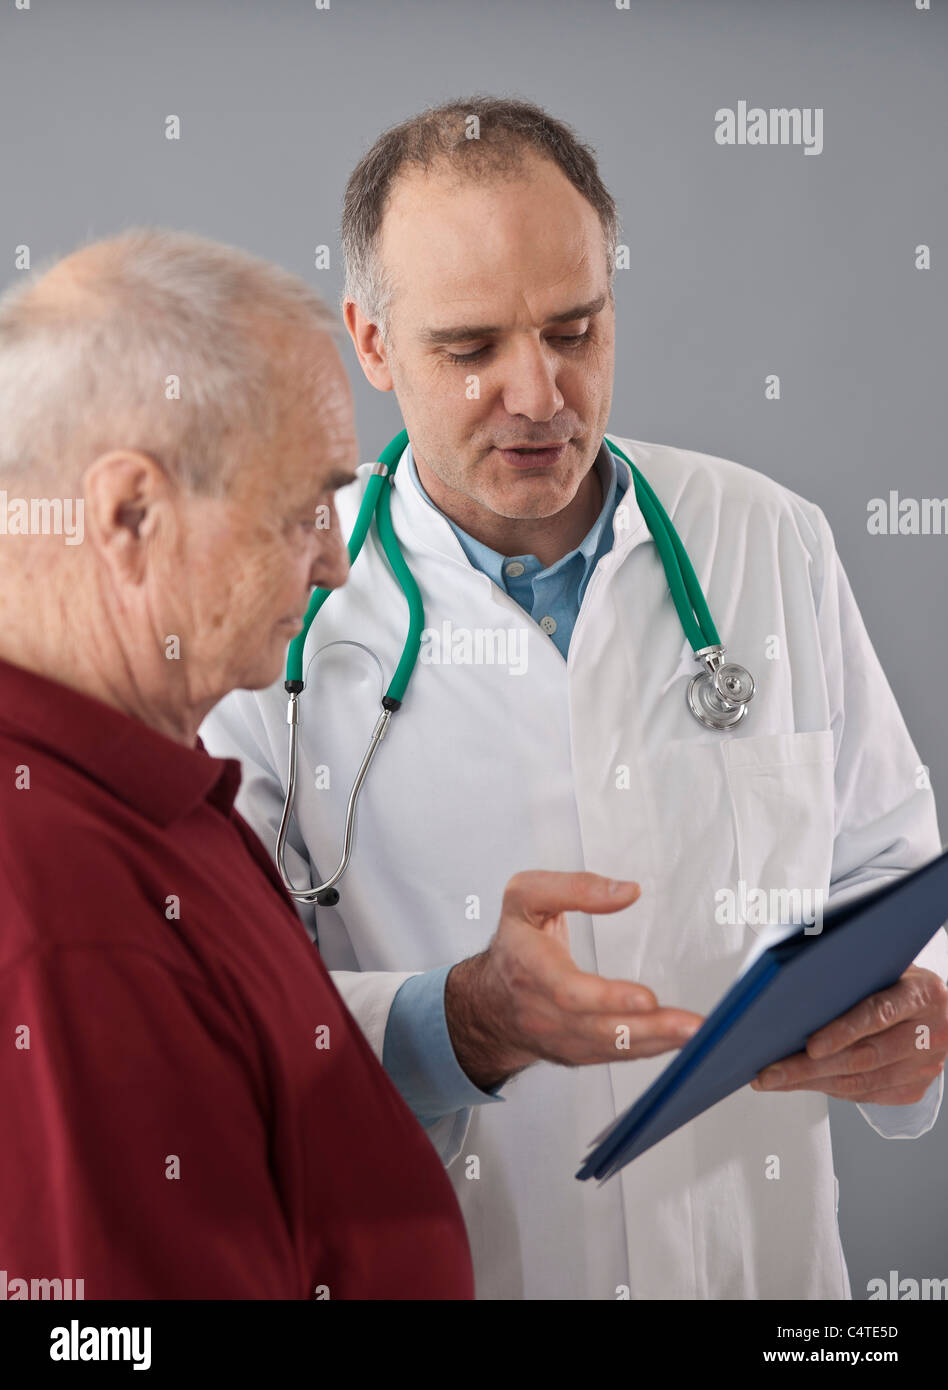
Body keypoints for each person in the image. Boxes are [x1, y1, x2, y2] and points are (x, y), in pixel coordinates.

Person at [200, 98, 948, 1300]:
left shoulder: (768, 539)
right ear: (372, 342)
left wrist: (926, 1011)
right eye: (471, 348)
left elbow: (898, 871)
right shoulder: (274, 607)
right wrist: (462, 1021)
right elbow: (217, 1023)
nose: (539, 393)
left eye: (575, 328)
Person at [0, 228, 484, 1298]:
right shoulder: (57, 915)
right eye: (302, 506)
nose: (335, 557)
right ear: (130, 514)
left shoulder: (149, 790)